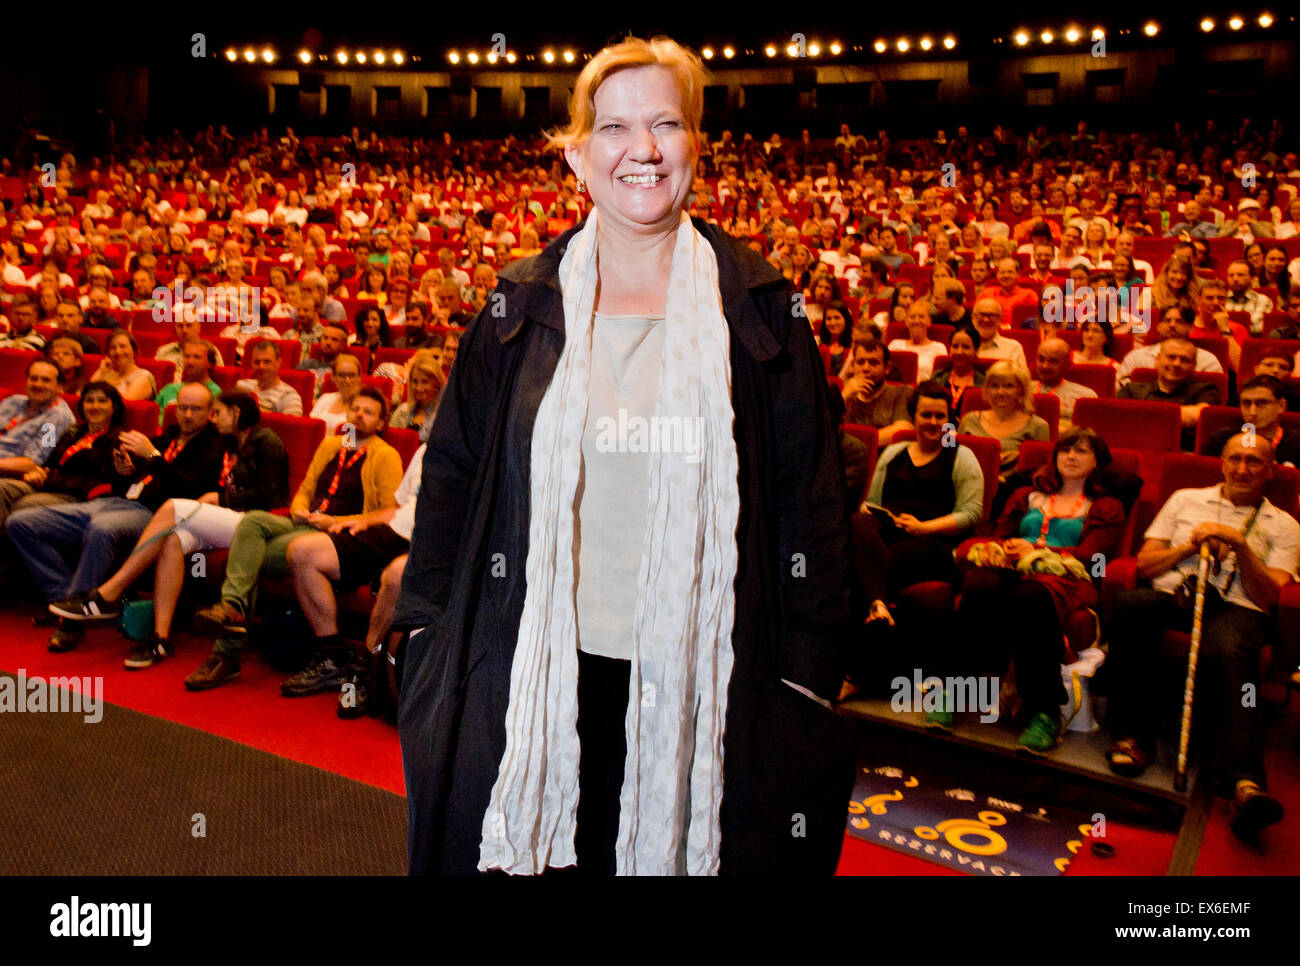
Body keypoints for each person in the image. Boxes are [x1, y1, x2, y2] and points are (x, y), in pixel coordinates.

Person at [393, 38, 854, 877]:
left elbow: (811, 502)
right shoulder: (516, 305)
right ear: (577, 152)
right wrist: (424, 630)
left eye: (665, 125)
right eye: (614, 128)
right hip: (532, 662)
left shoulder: (760, 310)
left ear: (694, 147)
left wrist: (810, 674)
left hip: (704, 672)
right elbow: (454, 478)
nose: (641, 150)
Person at [1105, 434, 1296, 841]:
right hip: (1178, 593)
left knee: (1230, 651)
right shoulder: (1184, 499)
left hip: (1239, 609)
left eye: (1254, 462)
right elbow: (1144, 563)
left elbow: (1272, 596)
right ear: (1221, 463)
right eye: (1235, 459)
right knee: (1127, 607)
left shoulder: (1285, 525)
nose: (1243, 469)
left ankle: (1244, 783)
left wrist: (1241, 546)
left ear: (1271, 469)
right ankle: (1135, 735)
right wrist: (1189, 548)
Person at [49, 391, 290, 668]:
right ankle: (160, 639)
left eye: (218, 412)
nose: (214, 418)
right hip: (223, 517)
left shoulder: (266, 441)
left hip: (255, 524)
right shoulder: (230, 442)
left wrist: (220, 498)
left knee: (174, 507)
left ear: (236, 413)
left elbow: (273, 497)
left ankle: (109, 593)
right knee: (173, 539)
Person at [185, 388, 401, 688]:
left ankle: (226, 649)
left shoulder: (385, 455)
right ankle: (232, 608)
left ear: (380, 424)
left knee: (248, 556)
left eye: (368, 413)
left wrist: (334, 521)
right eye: (355, 410)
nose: (359, 417)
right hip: (302, 521)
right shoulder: (330, 445)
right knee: (253, 522)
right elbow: (306, 487)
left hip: (334, 535)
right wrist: (299, 507)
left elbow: (388, 511)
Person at [7, 383, 224, 651]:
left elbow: (191, 492)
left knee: (102, 529)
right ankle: (66, 598)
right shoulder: (167, 437)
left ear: (211, 413)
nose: (188, 415)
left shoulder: (213, 445)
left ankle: (72, 622)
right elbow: (130, 481)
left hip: (156, 515)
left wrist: (154, 458)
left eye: (196, 409)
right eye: (183, 408)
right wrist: (124, 471)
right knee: (21, 523)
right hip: (116, 502)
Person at [952, 428, 1128, 744]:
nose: (1071, 457)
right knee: (980, 583)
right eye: (1065, 450)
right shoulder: (1027, 495)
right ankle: (957, 688)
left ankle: (1044, 711)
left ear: (1096, 462)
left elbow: (1093, 555)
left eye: (1082, 451)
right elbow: (1001, 534)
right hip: (1016, 569)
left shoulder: (1106, 505)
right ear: (1054, 457)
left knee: (1029, 597)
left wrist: (1038, 552)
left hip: (1067, 577)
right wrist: (1005, 548)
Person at [846, 381, 985, 693]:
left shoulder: (962, 457)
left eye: (940, 415)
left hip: (934, 545)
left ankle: (857, 673)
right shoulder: (894, 452)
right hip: (891, 535)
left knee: (867, 568)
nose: (934, 422)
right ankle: (878, 607)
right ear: (914, 417)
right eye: (926, 415)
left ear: (950, 420)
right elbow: (873, 500)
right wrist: (878, 515)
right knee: (857, 524)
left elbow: (971, 513)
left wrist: (924, 527)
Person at [279, 442, 426, 706]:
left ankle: (367, 667)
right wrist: (365, 521)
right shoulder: (429, 447)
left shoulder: (489, 453)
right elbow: (400, 506)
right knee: (303, 552)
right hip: (394, 532)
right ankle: (332, 654)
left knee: (394, 576)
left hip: (437, 541)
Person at [1117, 336, 1221, 449]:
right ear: (1158, 359)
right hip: (1136, 449)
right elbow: (1120, 419)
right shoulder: (1131, 390)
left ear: (1193, 365)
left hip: (1182, 455)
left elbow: (1201, 414)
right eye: (1171, 357)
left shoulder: (1205, 390)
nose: (1177, 364)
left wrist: (1141, 415)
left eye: (1185, 360)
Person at [958, 360, 1051, 477]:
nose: (1000, 392)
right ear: (987, 389)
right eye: (995, 386)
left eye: (1008, 386)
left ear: (1020, 390)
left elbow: (1040, 472)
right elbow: (955, 459)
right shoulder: (970, 419)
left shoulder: (1038, 426)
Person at [1200, 375, 1300, 467]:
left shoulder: (1297, 444)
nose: (1253, 412)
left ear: (1281, 406)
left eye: (1262, 403)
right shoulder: (1221, 439)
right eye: (1246, 403)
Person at [1116, 305, 1224, 389]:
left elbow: (1214, 397)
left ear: (1191, 328)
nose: (1172, 325)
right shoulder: (1137, 357)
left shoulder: (1208, 361)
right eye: (1167, 320)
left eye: (1179, 321)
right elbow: (1119, 390)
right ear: (1158, 326)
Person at [839, 338, 912, 445]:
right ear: (853, 366)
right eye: (860, 362)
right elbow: (824, 428)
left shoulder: (901, 392)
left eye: (873, 363)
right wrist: (843, 397)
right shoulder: (844, 394)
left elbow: (902, 430)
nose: (866, 368)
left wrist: (854, 443)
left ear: (887, 368)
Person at [1033, 337, 1097, 430]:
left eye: (1053, 361)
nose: (1045, 366)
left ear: (1067, 364)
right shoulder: (1022, 389)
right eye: (1041, 359)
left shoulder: (1085, 396)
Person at [235, 339, 304, 415]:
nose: (261, 366)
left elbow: (290, 426)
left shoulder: (289, 397)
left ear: (278, 362)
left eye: (267, 362)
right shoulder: (242, 387)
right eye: (257, 362)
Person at [388, 350, 443, 443]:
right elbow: (389, 441)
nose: (419, 388)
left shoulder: (443, 416)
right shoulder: (403, 410)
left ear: (437, 383)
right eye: (415, 381)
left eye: (425, 382)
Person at [156, 341, 221, 416]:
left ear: (210, 363)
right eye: (187, 356)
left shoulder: (215, 393)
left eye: (197, 357)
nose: (190, 362)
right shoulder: (169, 388)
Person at [90, 331, 157, 402]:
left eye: (123, 346)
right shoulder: (106, 374)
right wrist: (100, 372)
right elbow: (82, 395)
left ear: (133, 350)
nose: (118, 352)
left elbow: (123, 405)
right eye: (113, 348)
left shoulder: (143, 377)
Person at [888, 298, 945, 381]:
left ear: (929, 321)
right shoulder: (895, 344)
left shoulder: (939, 348)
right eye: (912, 317)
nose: (917, 321)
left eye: (921, 317)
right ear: (906, 322)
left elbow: (941, 379)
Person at [933, 324, 986, 412]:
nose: (959, 352)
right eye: (955, 346)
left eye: (966, 347)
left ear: (976, 350)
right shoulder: (938, 377)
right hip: (943, 425)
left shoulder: (985, 381)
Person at [310, 353, 365, 435]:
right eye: (342, 375)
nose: (347, 381)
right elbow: (310, 428)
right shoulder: (325, 398)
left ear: (359, 377)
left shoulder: (366, 405)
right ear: (333, 377)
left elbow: (357, 436)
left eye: (352, 375)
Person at [970, 298, 1028, 370]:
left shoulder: (1013, 348)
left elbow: (1022, 379)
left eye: (991, 315)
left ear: (1000, 320)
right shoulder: (960, 345)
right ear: (973, 318)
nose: (986, 320)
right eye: (982, 315)